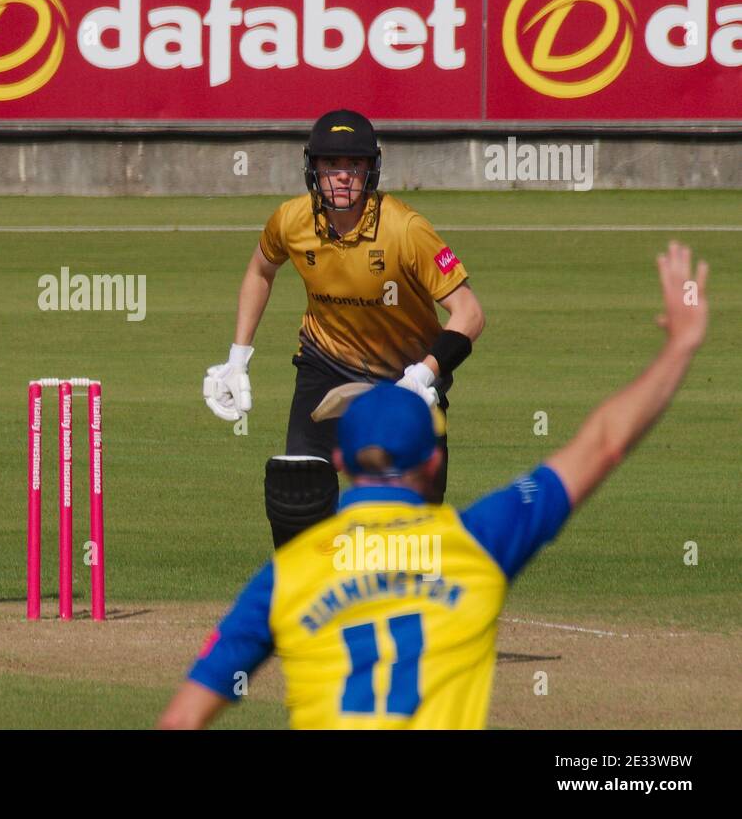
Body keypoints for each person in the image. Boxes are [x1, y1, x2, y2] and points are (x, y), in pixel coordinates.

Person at [163, 242, 708, 729]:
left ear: (339, 460)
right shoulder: (478, 542)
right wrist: (679, 347)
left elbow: (184, 719)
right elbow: (603, 445)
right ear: (432, 460)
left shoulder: (287, 575)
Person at [203, 109, 485, 547]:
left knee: (411, 527)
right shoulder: (291, 221)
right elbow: (260, 271)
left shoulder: (406, 229)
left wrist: (423, 374)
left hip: (405, 378)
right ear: (312, 169)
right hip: (325, 365)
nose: (342, 177)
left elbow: (469, 314)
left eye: (353, 166)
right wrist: (237, 360)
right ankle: (306, 603)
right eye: (330, 165)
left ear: (371, 170)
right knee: (299, 490)